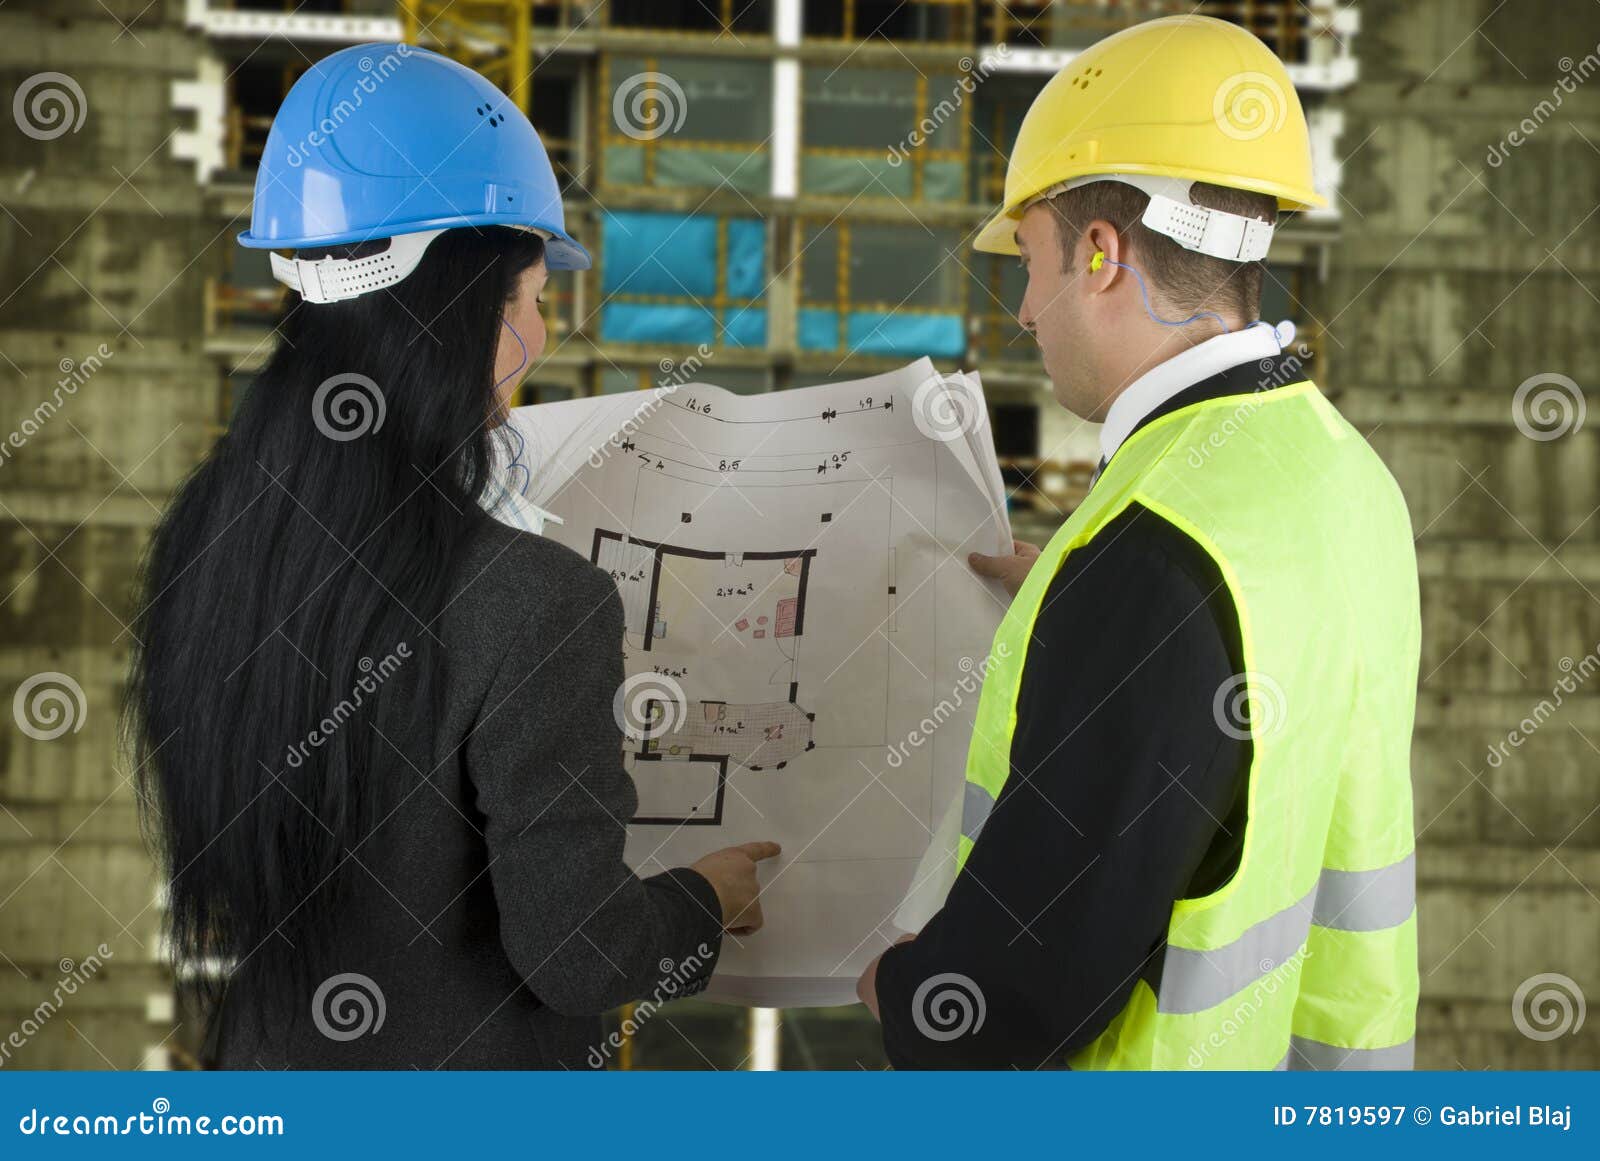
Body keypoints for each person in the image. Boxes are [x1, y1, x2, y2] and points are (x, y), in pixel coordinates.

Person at [124, 43, 778, 1069]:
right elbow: (581, 953)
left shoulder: (207, 553)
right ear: (457, 310)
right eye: (528, 298)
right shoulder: (532, 602)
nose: (541, 337)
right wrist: (707, 900)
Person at [857, 15, 1421, 1070]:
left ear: (1104, 255)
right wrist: (1075, 614)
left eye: (1028, 263)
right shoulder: (1345, 475)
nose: (1022, 310)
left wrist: (896, 984)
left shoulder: (1157, 555)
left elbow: (1011, 1003)